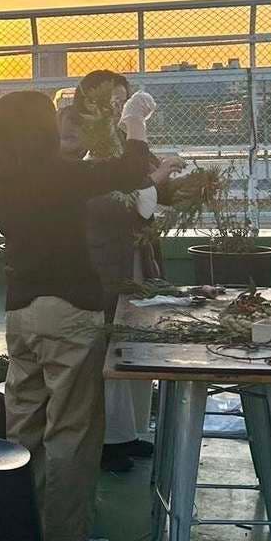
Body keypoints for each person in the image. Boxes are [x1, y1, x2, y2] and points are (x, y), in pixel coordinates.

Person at [0, 89, 180, 541]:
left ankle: (20, 518)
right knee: (71, 424)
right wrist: (134, 119)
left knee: (24, 419)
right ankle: (63, 537)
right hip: (69, 310)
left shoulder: (5, 177)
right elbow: (129, 169)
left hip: (21, 311)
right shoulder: (57, 174)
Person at [70, 74, 163, 474]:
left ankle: (131, 432)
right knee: (110, 349)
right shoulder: (84, 155)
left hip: (135, 261)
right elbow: (125, 205)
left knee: (136, 341)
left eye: (125, 103)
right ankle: (108, 440)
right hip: (104, 265)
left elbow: (145, 197)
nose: (121, 113)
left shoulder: (130, 152)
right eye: (113, 104)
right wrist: (156, 183)